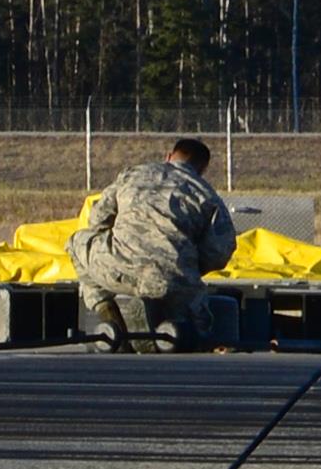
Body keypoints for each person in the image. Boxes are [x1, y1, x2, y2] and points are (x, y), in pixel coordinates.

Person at [74, 136, 239, 351]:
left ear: (169, 156)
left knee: (77, 242)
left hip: (119, 268)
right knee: (199, 331)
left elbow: (97, 221)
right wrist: (185, 265)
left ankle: (107, 312)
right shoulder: (206, 194)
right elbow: (220, 251)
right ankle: (175, 325)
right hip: (175, 280)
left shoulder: (132, 175)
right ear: (202, 168)